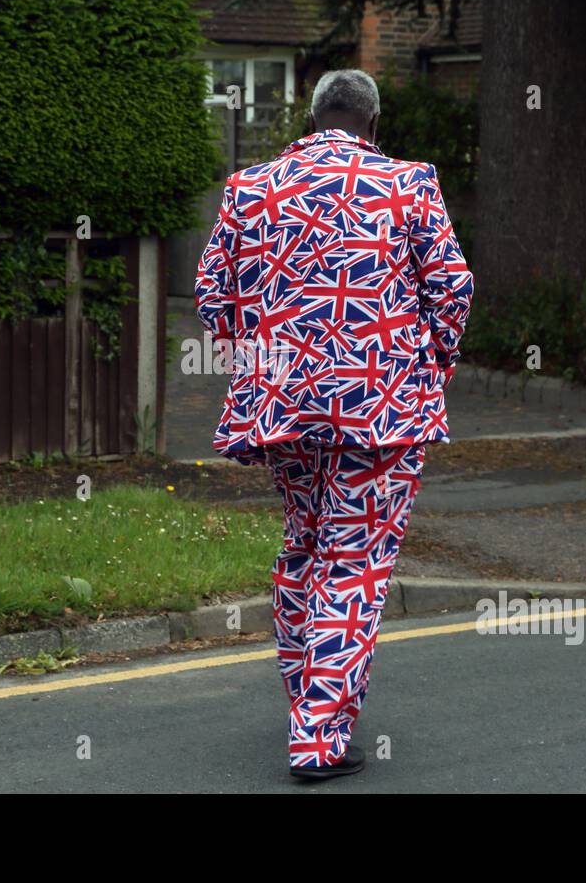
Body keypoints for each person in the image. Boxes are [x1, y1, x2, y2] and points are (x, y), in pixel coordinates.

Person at [195, 68, 474, 779]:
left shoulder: (250, 187)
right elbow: (452, 290)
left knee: (306, 548)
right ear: (372, 126)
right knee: (354, 562)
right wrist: (428, 368)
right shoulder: (409, 183)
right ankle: (318, 738)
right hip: (382, 411)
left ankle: (307, 700)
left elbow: (212, 297)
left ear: (313, 118)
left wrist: (255, 364)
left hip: (284, 405)